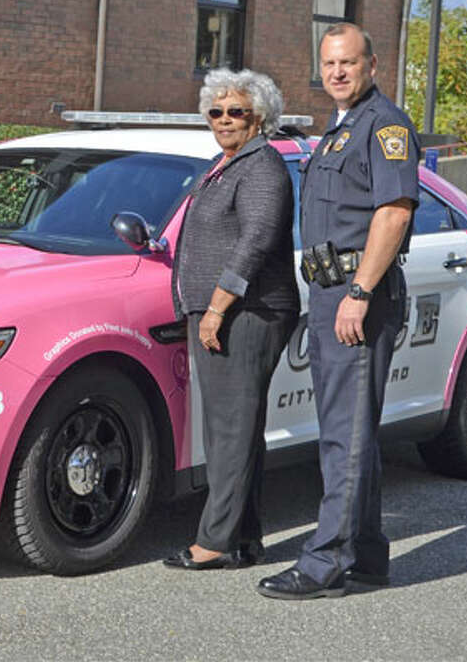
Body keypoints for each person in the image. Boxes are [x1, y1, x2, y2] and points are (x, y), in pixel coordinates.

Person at [257, 22, 418, 599]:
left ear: (373, 65)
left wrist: (360, 292)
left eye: (349, 63)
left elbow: (394, 214)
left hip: (357, 294)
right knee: (349, 430)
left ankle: (325, 561)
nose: (338, 73)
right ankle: (368, 556)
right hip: (331, 291)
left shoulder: (385, 126)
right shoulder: (338, 130)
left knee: (342, 438)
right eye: (329, 65)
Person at [164, 69, 300, 570]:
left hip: (248, 312)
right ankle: (244, 538)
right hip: (223, 311)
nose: (223, 120)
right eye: (215, 112)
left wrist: (217, 309)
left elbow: (256, 241)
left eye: (235, 111)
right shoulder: (226, 164)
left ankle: (215, 541)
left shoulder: (261, 166)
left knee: (231, 428)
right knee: (233, 429)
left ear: (259, 117)